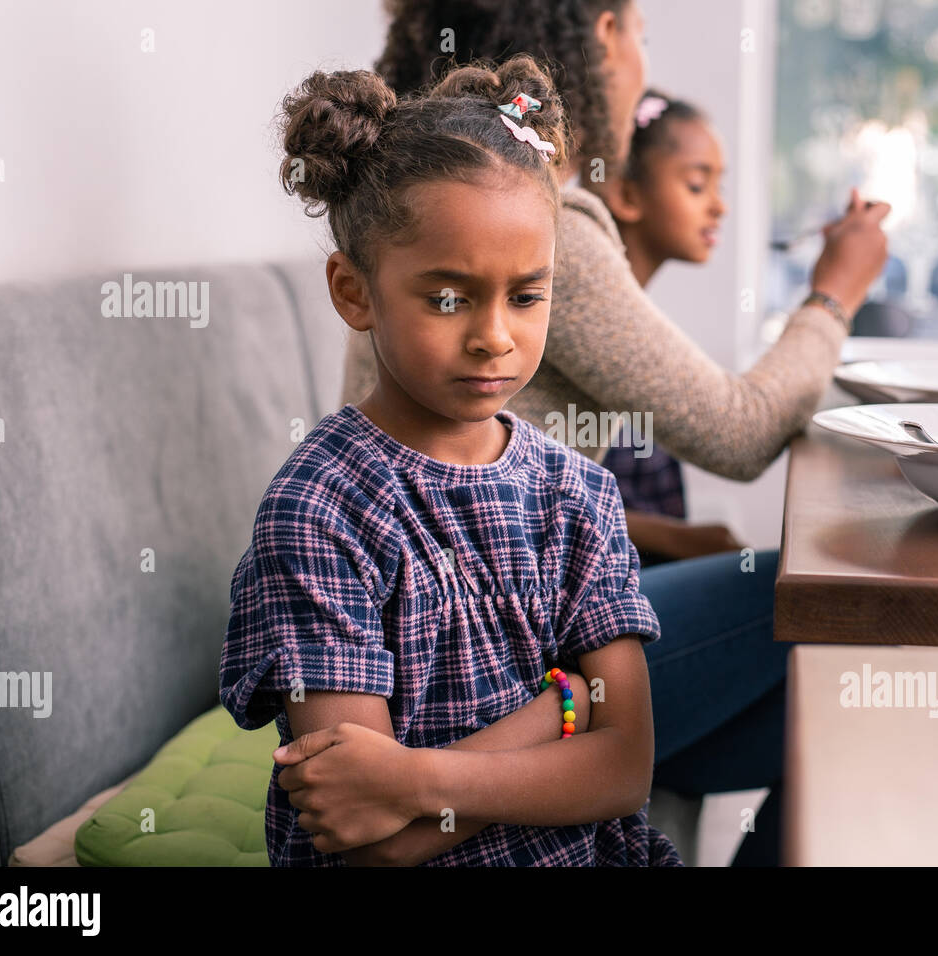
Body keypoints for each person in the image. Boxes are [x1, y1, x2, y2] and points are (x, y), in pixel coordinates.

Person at [339, 0, 890, 865]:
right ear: (602, 34)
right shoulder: (541, 220)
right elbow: (742, 433)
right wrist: (835, 294)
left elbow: (479, 486)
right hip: (483, 665)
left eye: (527, 296)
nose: (494, 328)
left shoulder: (424, 212)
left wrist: (652, 534)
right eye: (639, 28)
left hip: (490, 633)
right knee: (846, 606)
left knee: (835, 708)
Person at [220, 56, 680, 866]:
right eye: (447, 298)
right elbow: (371, 846)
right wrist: (559, 712)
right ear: (354, 290)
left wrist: (411, 779)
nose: (494, 336)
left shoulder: (579, 494)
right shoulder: (322, 507)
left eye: (527, 295)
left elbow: (623, 771)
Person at [595, 90, 743, 566]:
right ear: (626, 193)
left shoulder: (634, 318)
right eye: (698, 185)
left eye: (719, 186)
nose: (718, 207)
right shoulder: (589, 325)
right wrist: (681, 540)